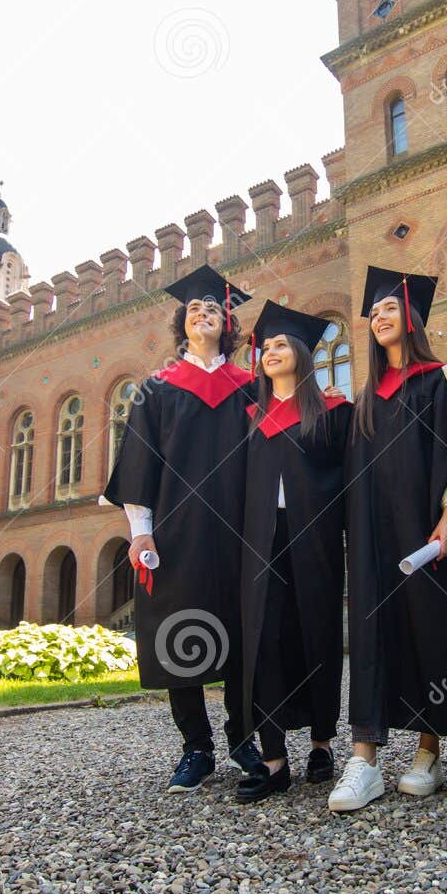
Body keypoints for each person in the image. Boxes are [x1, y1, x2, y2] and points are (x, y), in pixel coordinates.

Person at [101, 263, 264, 793]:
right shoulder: (158, 388)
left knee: (243, 630)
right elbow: (138, 461)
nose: (204, 314)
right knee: (179, 630)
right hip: (178, 528)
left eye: (213, 308)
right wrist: (140, 530)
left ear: (228, 324)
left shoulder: (251, 387)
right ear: (182, 322)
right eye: (195, 308)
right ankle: (197, 747)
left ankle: (243, 738)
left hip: (243, 528)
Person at [330, 267, 447, 813]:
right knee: (369, 633)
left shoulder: (441, 379)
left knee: (430, 630)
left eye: (392, 309)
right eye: (375, 313)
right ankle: (365, 757)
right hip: (372, 535)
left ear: (412, 319)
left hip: (424, 528)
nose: (380, 317)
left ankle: (427, 751)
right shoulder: (368, 397)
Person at [235, 303, 353, 803]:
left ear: (302, 354)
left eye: (282, 345)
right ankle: (273, 755)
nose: (271, 353)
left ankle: (323, 742)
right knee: (265, 638)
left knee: (318, 631)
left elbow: (353, 480)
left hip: (317, 537)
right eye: (266, 348)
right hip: (261, 539)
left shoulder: (333, 410)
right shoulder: (248, 418)